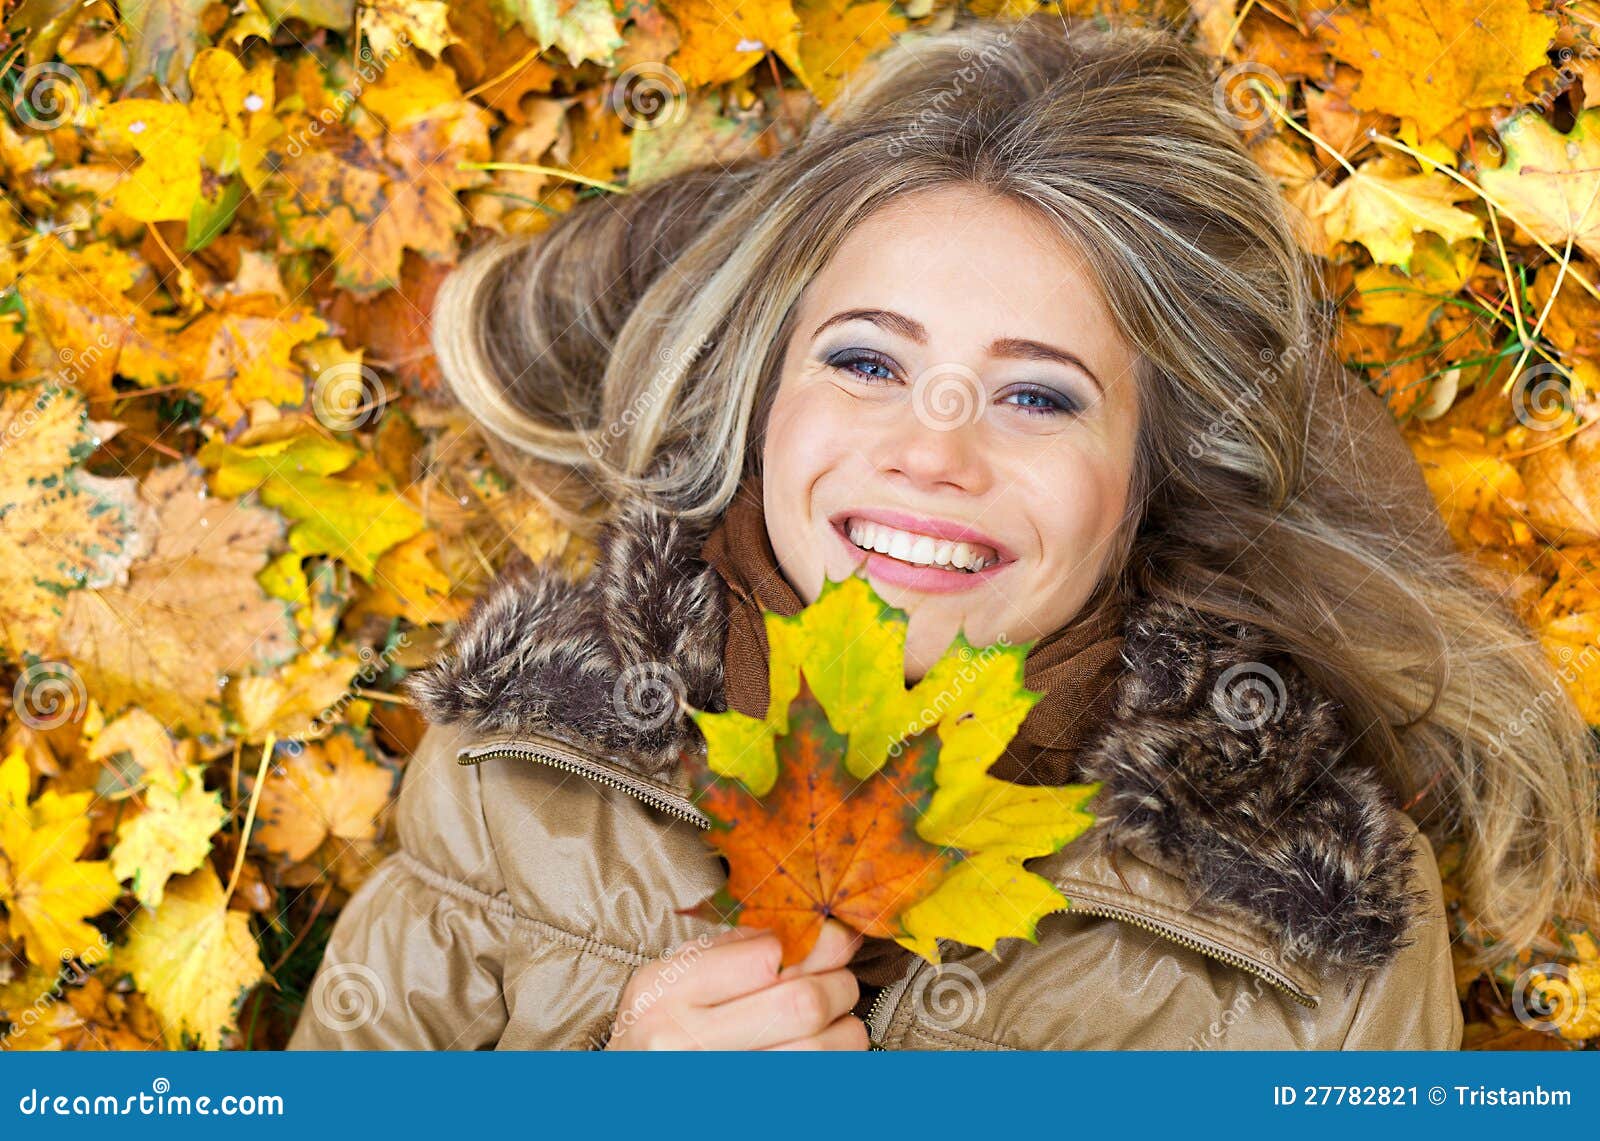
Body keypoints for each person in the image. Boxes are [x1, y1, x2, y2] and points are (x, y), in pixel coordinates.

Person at [287, 12, 1599, 1051]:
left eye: (1036, 394)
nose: (932, 449)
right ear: (765, 395)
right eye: (866, 362)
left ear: (1149, 476)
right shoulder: (522, 769)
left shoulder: (1316, 919)